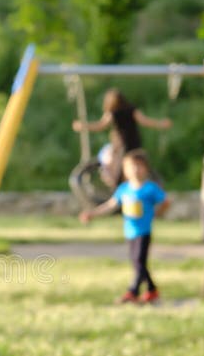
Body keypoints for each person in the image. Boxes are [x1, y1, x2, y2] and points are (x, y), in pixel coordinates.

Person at [79, 149, 170, 304]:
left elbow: (165, 201)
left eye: (139, 166)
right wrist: (93, 213)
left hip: (144, 231)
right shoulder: (124, 189)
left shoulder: (150, 188)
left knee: (139, 262)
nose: (135, 170)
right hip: (130, 232)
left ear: (146, 168)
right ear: (125, 170)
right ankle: (152, 290)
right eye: (131, 166)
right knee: (137, 262)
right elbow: (111, 205)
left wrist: (157, 213)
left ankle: (132, 292)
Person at [72, 88, 172, 190]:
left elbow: (100, 125)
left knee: (117, 167)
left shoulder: (113, 112)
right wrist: (161, 123)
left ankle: (117, 185)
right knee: (131, 166)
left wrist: (83, 126)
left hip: (122, 145)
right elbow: (145, 121)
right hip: (133, 142)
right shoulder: (131, 110)